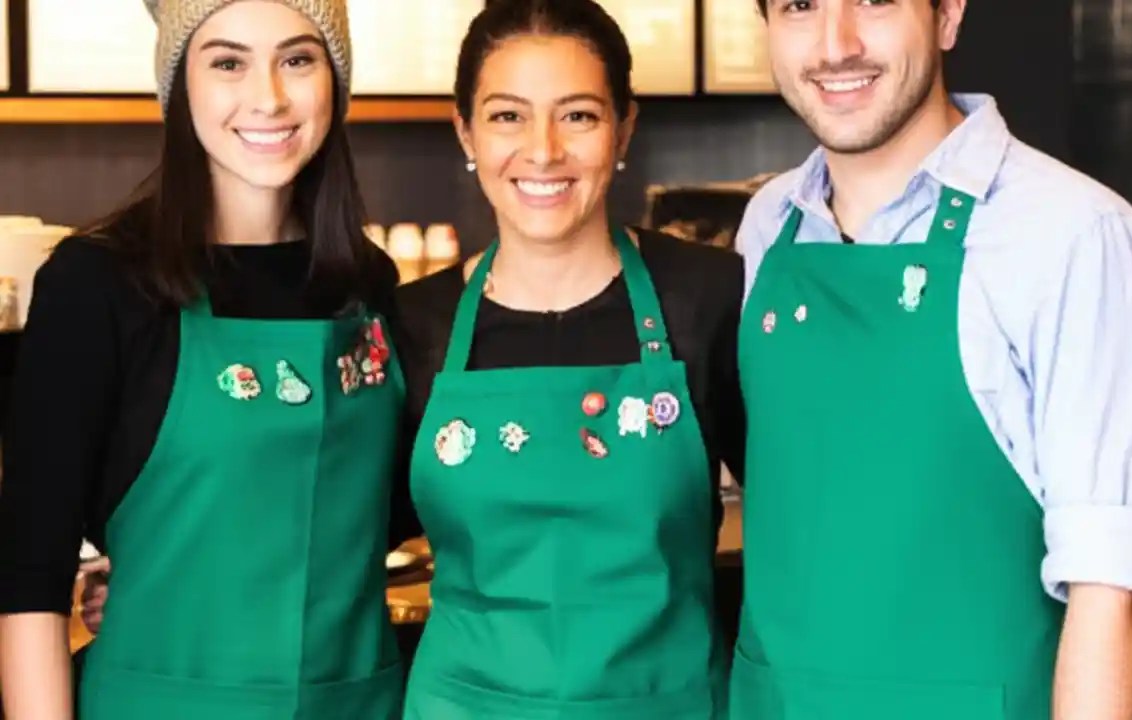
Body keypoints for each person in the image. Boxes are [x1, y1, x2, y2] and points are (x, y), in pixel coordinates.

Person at [728, 1, 1132, 719]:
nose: (835, 43)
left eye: (874, 1)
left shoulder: (1077, 236)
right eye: (800, 5)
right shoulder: (767, 226)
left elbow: (1114, 587)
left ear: (948, 17)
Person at [0, 1, 408, 718]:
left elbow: (396, 511)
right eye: (226, 62)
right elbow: (30, 573)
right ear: (179, 85)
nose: (268, 98)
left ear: (335, 82)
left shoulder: (367, 285)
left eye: (298, 58)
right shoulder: (98, 283)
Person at [389, 0, 746, 717]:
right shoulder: (413, 323)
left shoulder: (706, 296)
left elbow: (796, 518)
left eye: (578, 115)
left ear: (624, 129)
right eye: (507, 116)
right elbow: (332, 528)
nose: (544, 150)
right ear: (466, 131)